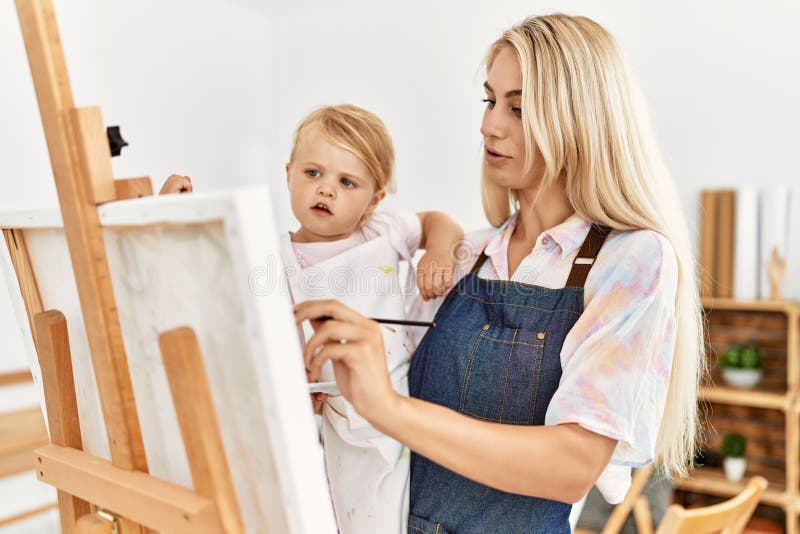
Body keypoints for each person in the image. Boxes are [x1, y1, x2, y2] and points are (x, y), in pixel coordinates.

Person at [295, 13, 705, 534]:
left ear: (581, 119)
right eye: (490, 101)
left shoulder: (630, 261)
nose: (491, 124)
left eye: (520, 107)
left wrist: (386, 407)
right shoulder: (466, 255)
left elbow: (571, 466)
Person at [161, 104, 463, 534]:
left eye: (346, 182)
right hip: (310, 409)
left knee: (374, 513)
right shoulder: (269, 251)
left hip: (382, 416)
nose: (326, 190)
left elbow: (438, 221)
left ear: (374, 199)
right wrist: (177, 215)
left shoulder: (383, 232)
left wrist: (437, 250)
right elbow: (209, 272)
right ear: (287, 174)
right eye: (312, 174)